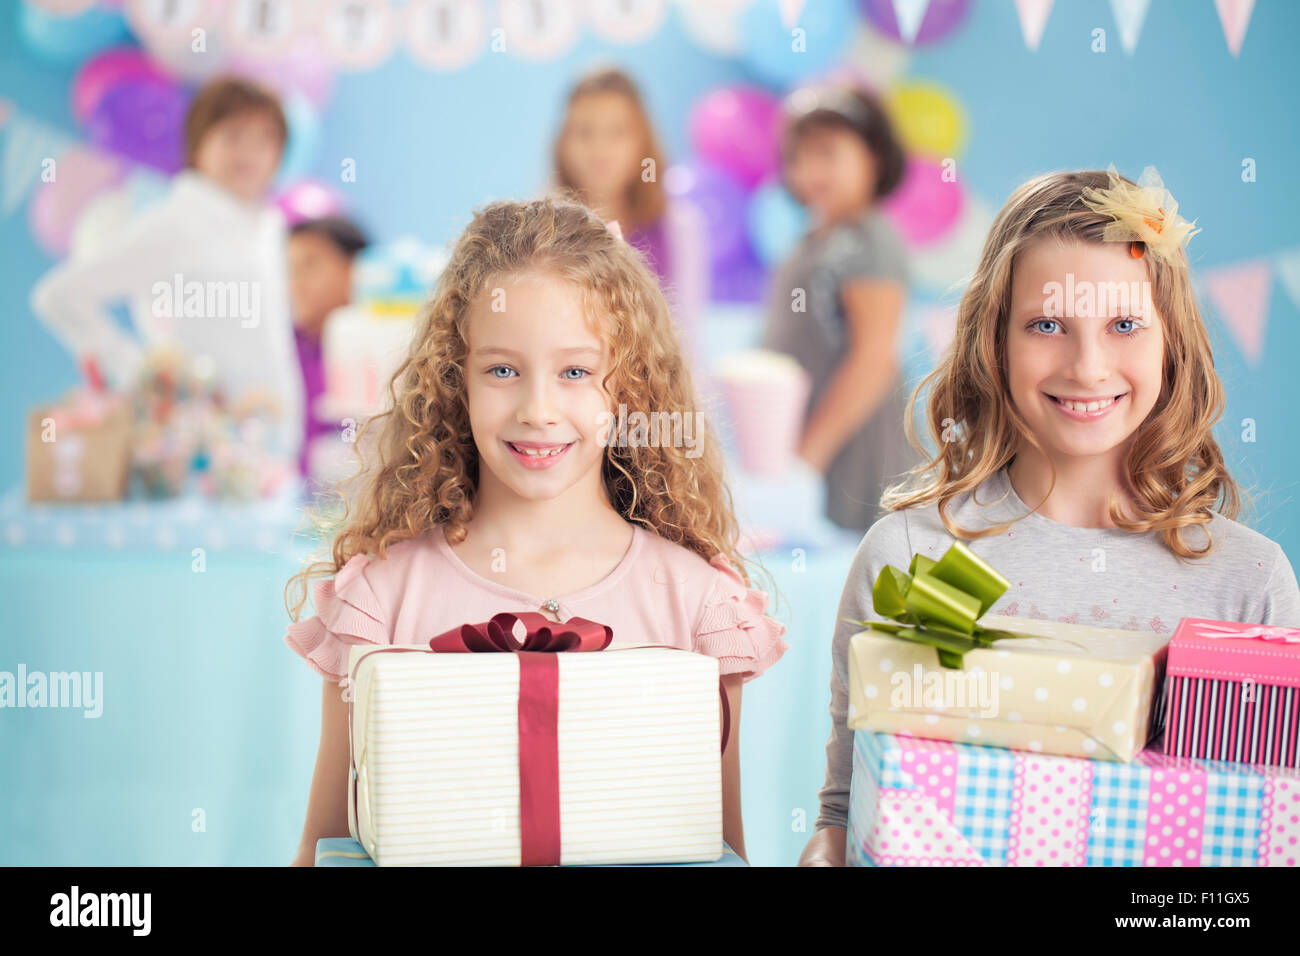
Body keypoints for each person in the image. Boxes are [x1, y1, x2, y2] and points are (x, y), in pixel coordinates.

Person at [798, 167, 1300, 866]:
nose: (1088, 367)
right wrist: (827, 850)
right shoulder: (910, 556)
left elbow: (1253, 828)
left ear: (1171, 341)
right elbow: (843, 814)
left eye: (1124, 325)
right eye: (1046, 325)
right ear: (992, 341)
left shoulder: (1248, 584)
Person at [283, 198, 788, 866]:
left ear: (629, 387)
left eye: (575, 372)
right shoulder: (379, 599)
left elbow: (719, 850)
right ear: (452, 382)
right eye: (502, 370)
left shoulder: (698, 605)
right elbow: (327, 845)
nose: (538, 409)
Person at [30, 76, 304, 462]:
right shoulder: (177, 222)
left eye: (266, 139)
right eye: (234, 135)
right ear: (198, 142)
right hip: (199, 446)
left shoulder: (267, 225)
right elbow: (57, 297)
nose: (250, 152)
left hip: (272, 440)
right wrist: (137, 373)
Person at [760, 83, 914, 532]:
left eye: (827, 153)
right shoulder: (815, 240)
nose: (810, 169)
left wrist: (807, 459)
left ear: (874, 158)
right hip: (812, 441)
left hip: (850, 445)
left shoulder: (868, 238)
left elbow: (872, 361)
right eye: (800, 156)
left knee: (859, 567)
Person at [551, 65, 708, 365]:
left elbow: (686, 342)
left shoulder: (679, 228)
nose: (600, 148)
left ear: (642, 141)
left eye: (617, 132)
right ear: (563, 143)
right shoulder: (544, 232)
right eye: (584, 131)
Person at [287, 216, 370, 478]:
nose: (296, 283)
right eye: (289, 270)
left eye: (309, 265)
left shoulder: (378, 346)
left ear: (353, 270)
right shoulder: (284, 347)